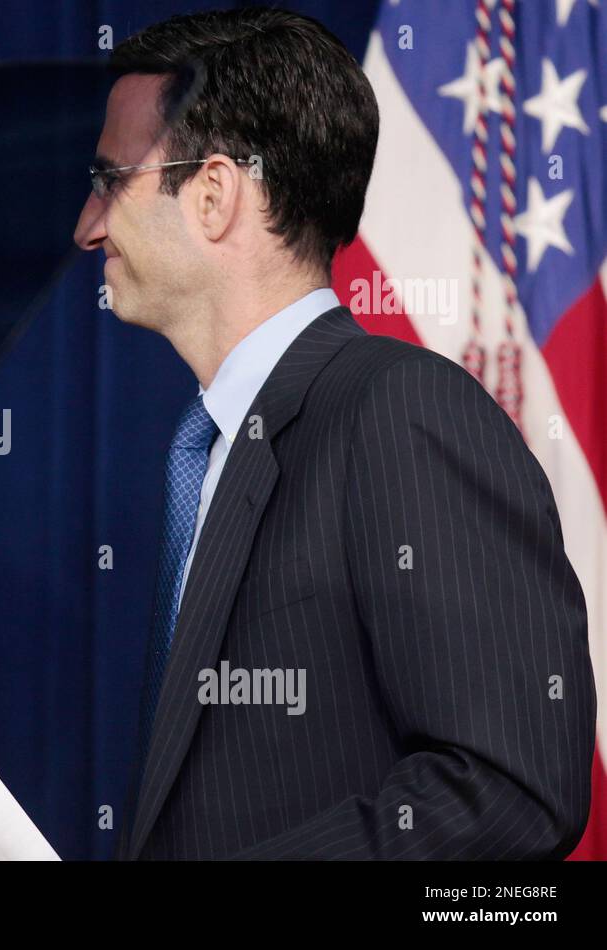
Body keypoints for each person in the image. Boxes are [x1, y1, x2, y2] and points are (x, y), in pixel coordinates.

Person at [73, 9, 595, 860]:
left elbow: (508, 787)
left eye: (109, 180)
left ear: (212, 194)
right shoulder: (211, 447)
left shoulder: (399, 411)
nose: (87, 225)